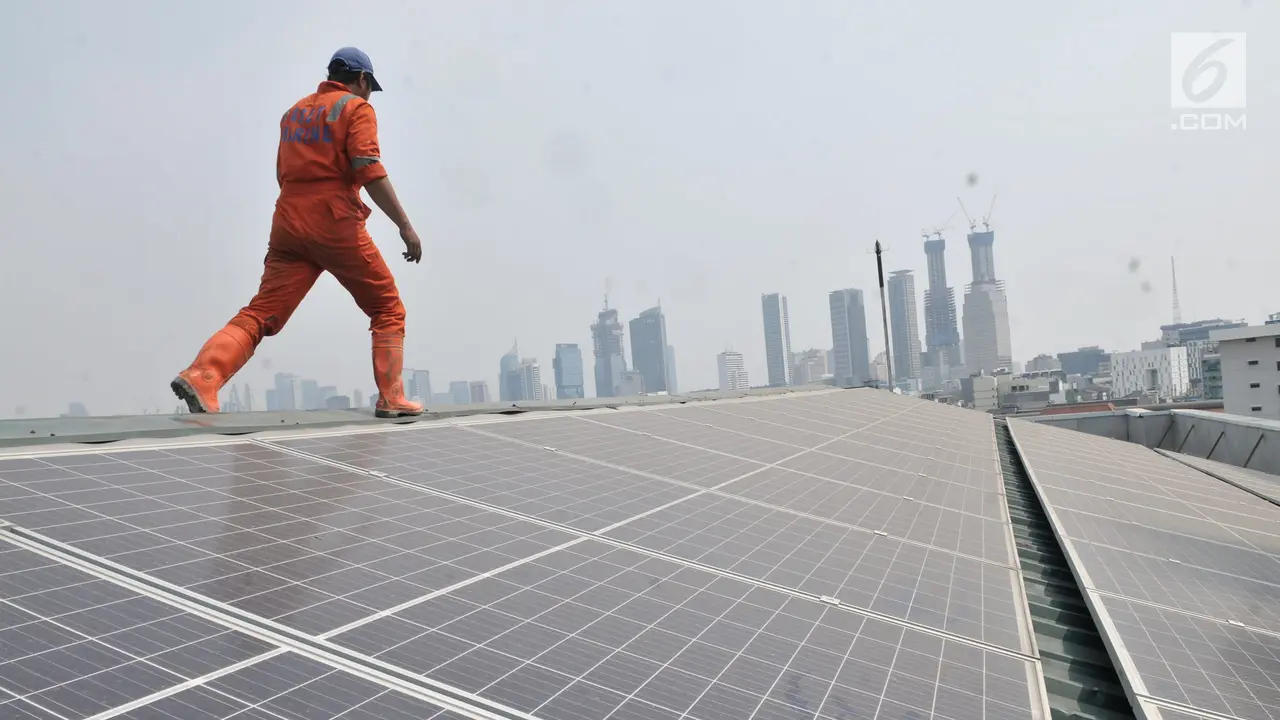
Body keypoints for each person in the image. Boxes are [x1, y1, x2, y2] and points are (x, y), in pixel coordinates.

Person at [171, 47, 425, 419]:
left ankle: (204, 375)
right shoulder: (357, 108)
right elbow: (367, 166)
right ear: (362, 81)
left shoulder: (293, 113)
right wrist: (404, 225)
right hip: (333, 219)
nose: (370, 96)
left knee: (261, 312)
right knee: (387, 307)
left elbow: (282, 173)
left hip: (288, 220)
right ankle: (391, 398)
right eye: (370, 88)